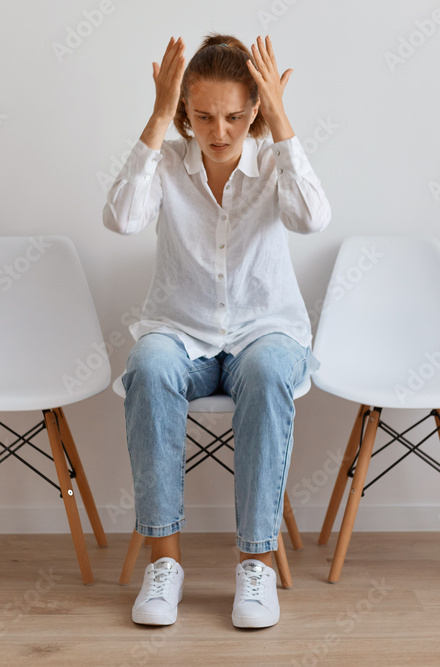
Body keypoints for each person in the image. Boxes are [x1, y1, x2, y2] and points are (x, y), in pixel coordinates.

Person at [102, 33, 331, 629]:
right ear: (186, 111)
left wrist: (280, 121)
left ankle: (256, 565)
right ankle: (164, 564)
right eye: (203, 115)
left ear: (253, 110)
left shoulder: (272, 162)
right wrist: (158, 118)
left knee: (269, 370)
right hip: (183, 334)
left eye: (233, 116)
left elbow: (312, 218)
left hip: (265, 332)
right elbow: (121, 219)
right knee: (149, 366)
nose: (219, 131)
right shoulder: (167, 163)